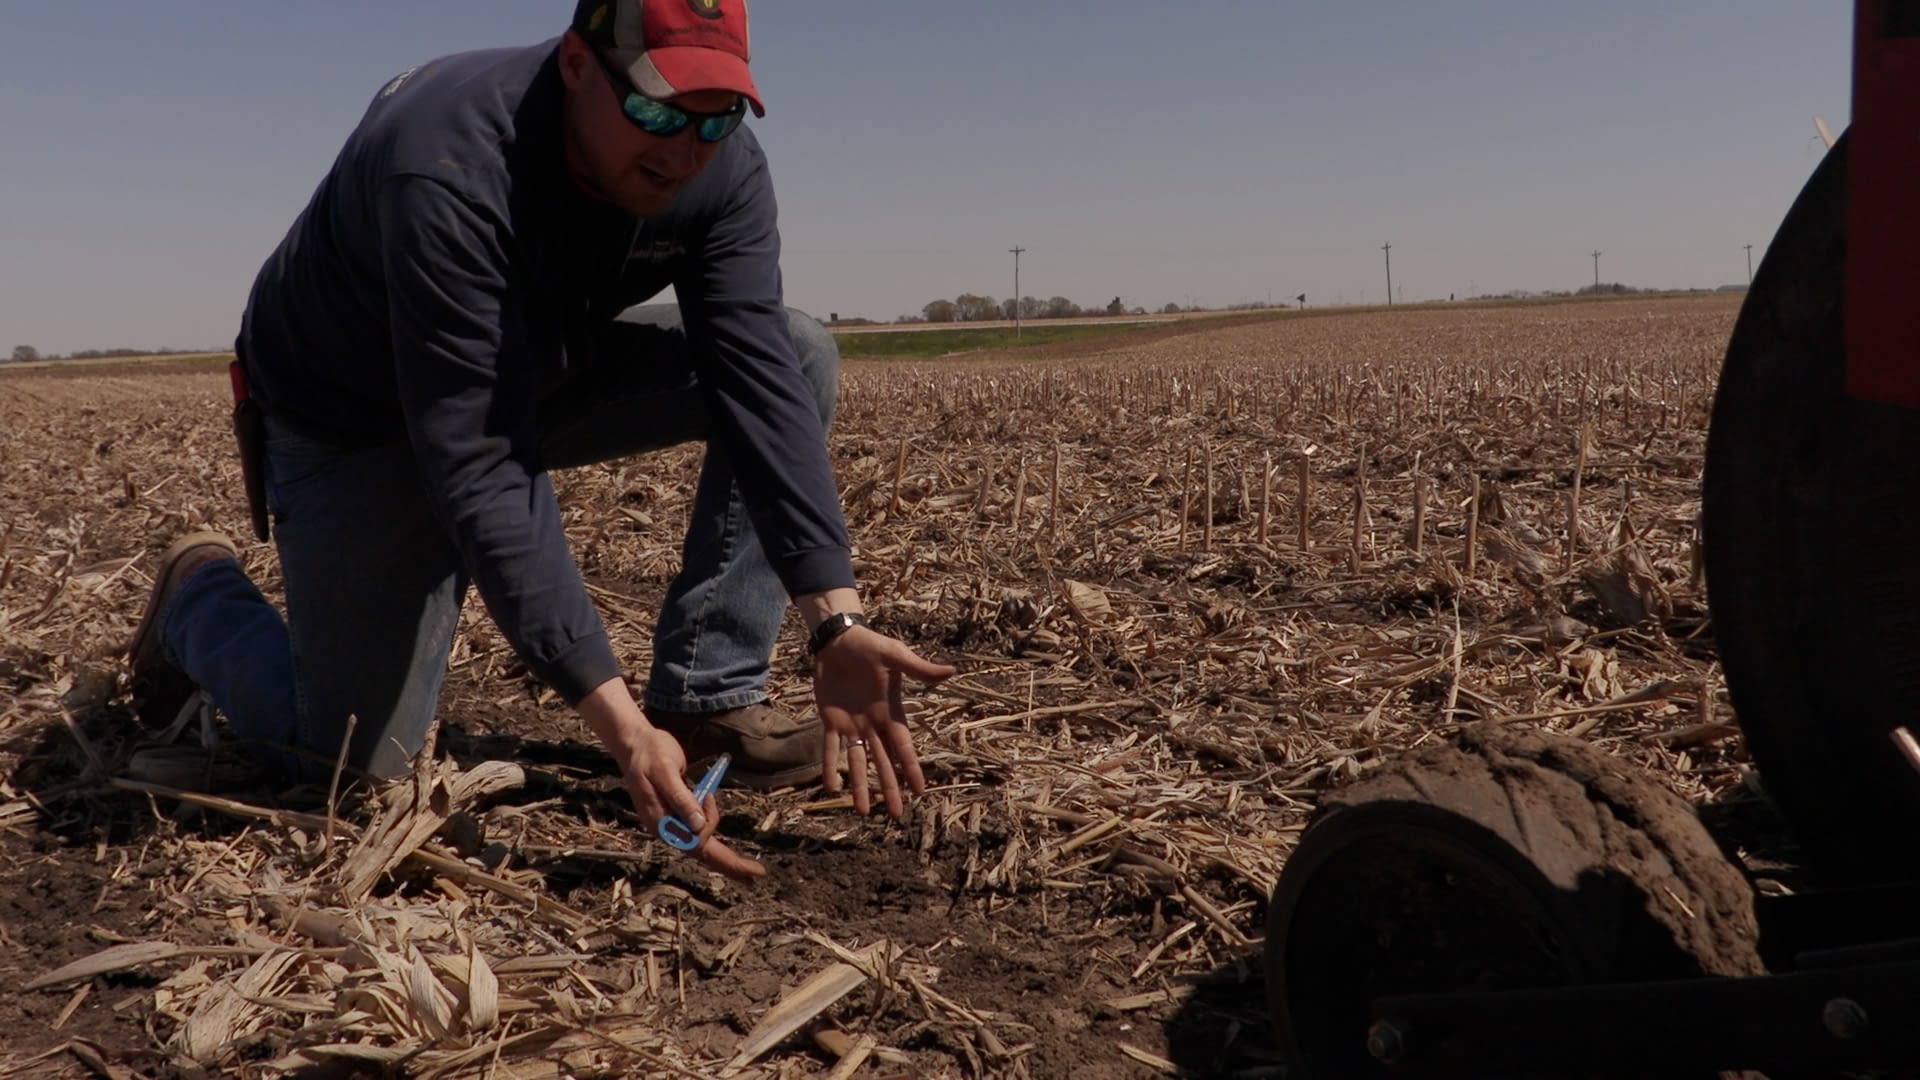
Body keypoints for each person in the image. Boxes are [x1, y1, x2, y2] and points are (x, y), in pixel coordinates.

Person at [124, 0, 954, 882]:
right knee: (346, 770)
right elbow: (482, 457)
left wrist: (836, 622)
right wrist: (620, 727)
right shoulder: (445, 161)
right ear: (574, 66)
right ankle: (197, 597)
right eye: (655, 108)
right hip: (357, 422)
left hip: (528, 368)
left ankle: (709, 698)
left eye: (715, 117)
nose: (682, 148)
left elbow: (756, 380)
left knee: (796, 353)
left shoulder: (721, 167)